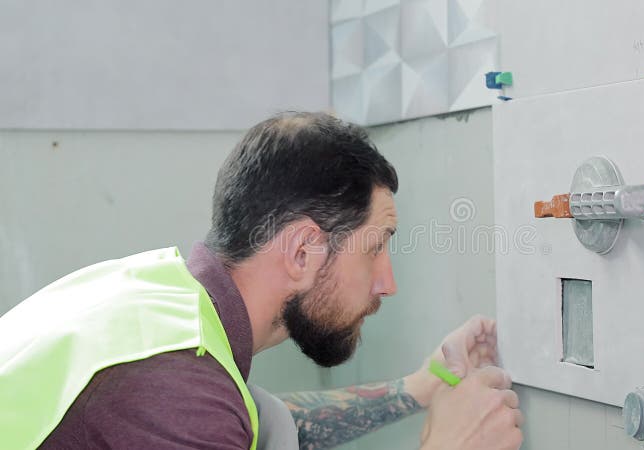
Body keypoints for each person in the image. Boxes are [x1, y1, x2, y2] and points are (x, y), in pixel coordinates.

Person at [0, 112, 523, 450]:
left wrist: (421, 388)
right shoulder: (175, 381)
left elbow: (257, 421)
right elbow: (211, 419)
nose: (387, 282)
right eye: (376, 246)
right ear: (301, 251)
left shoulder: (160, 304)